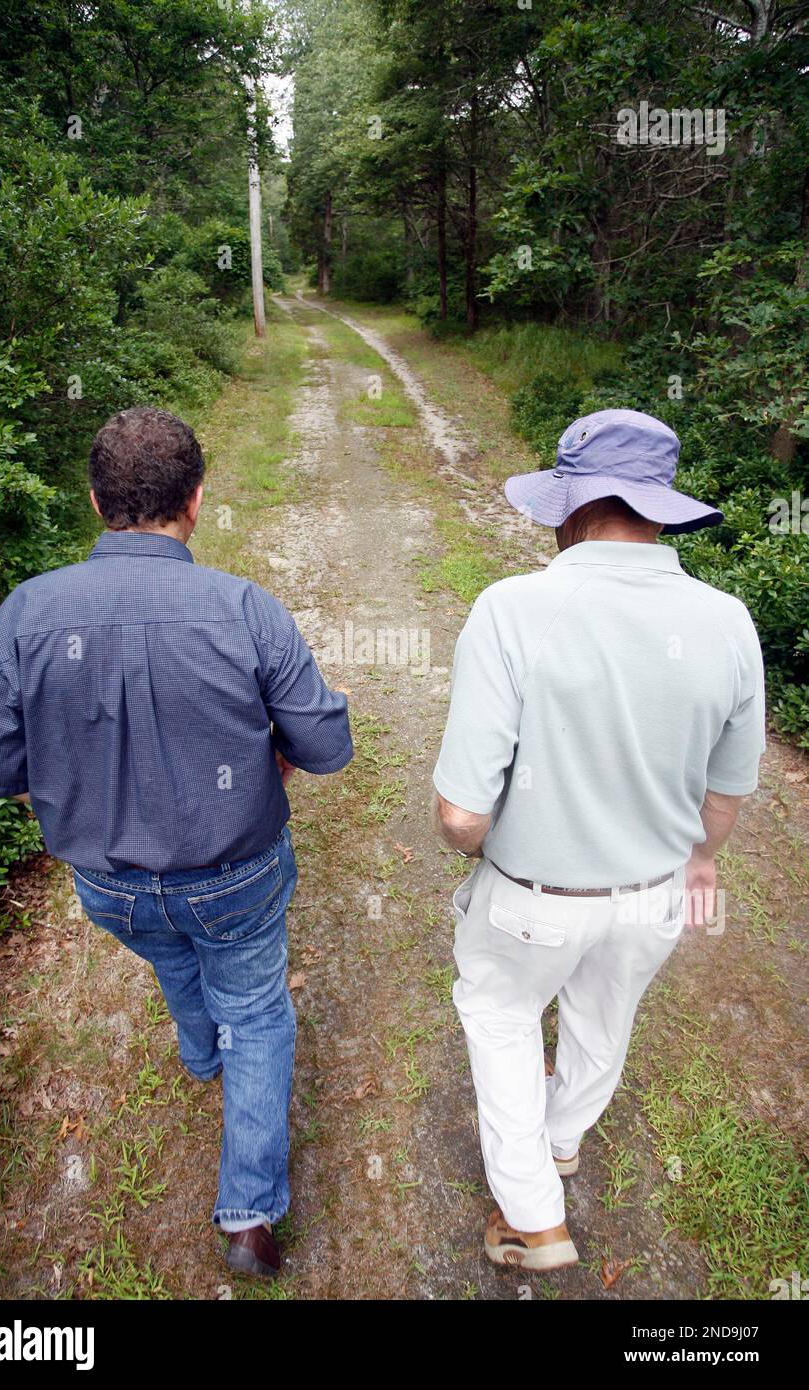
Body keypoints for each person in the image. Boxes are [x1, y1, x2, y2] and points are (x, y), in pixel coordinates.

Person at [0, 406, 353, 1280]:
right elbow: (327, 745)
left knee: (172, 955)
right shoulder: (245, 609)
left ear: (97, 499)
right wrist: (271, 769)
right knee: (255, 1008)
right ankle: (249, 1216)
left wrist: (78, 791)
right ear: (198, 500)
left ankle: (195, 1053)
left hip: (109, 882)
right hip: (239, 873)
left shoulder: (26, 613)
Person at [432, 408, 765, 1272]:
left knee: (501, 1016)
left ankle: (534, 1219)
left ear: (570, 508)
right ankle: (566, 1136)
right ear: (658, 510)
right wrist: (696, 861)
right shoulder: (729, 620)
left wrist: (483, 854)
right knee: (603, 1015)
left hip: (532, 897)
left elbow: (461, 815)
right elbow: (724, 796)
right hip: (652, 896)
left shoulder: (512, 609)